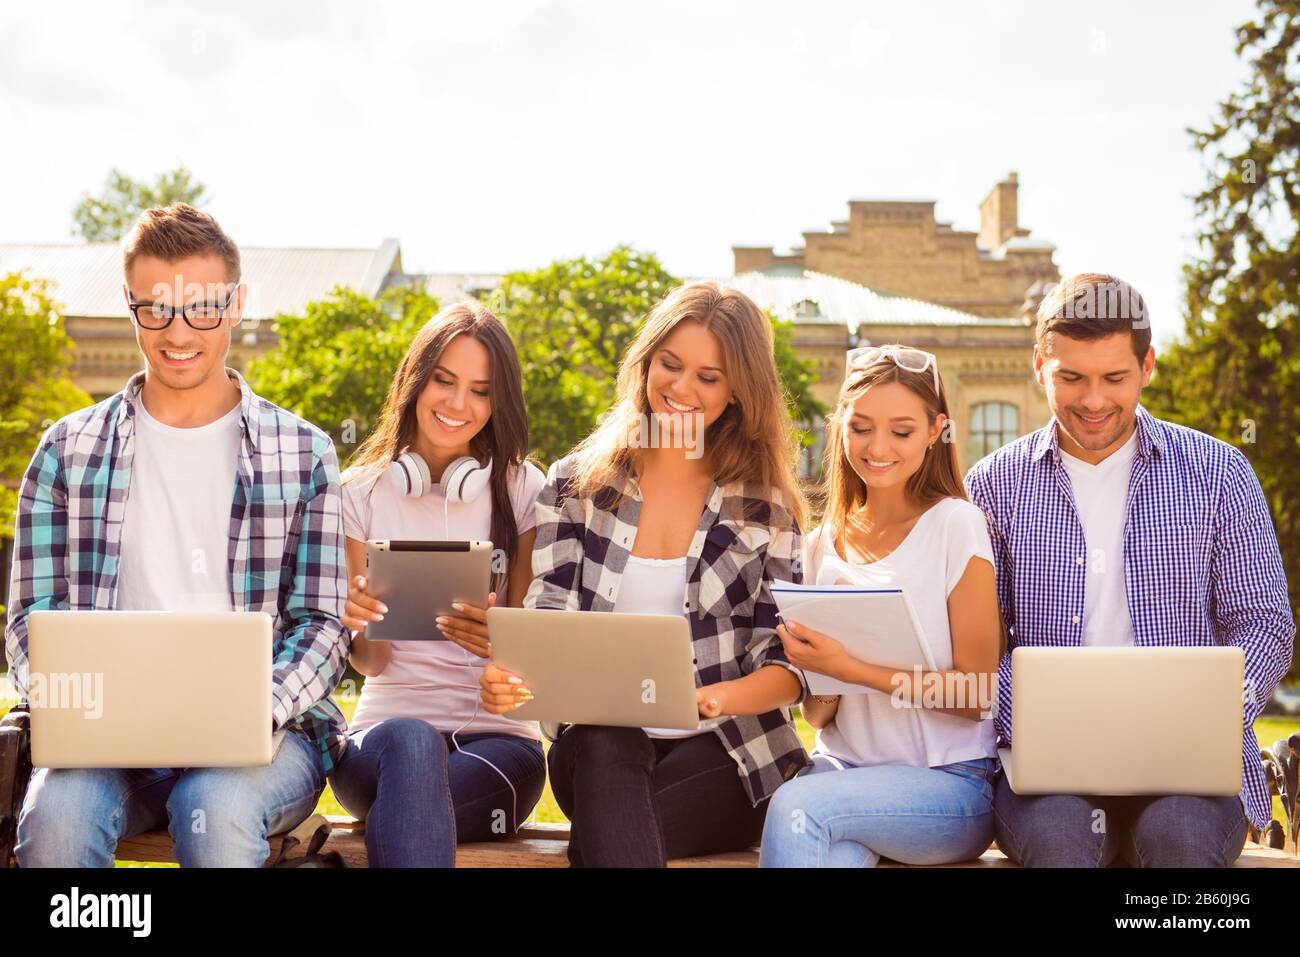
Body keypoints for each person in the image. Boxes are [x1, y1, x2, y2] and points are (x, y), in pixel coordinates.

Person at [6, 203, 350, 867]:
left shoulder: (303, 451)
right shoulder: (65, 451)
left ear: (237, 303)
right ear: (131, 305)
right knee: (55, 821)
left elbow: (325, 623)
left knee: (215, 812)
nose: (178, 329)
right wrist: (74, 704)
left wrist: (256, 708)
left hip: (262, 740)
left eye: (201, 306)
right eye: (156, 308)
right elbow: (29, 619)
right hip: (108, 741)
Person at [964, 272, 1296, 867]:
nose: (1093, 400)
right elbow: (976, 640)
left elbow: (1265, 622)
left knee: (1182, 840)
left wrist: (1211, 710)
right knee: (1060, 842)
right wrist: (1034, 717)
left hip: (1190, 766)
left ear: (1147, 367)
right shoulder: (992, 486)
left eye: (1114, 378)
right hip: (1047, 770)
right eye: (1071, 378)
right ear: (1040, 366)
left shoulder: (1219, 473)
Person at [480, 281, 811, 866]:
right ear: (646, 361)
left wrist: (708, 699)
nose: (682, 388)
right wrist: (515, 674)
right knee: (610, 740)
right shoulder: (576, 484)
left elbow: (786, 669)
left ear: (738, 392)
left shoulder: (767, 505)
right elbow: (547, 615)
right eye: (670, 364)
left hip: (727, 753)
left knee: (613, 831)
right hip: (596, 745)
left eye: (709, 377)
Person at [760, 345, 1000, 867]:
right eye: (861, 427)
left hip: (948, 785)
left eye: (902, 430)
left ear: (937, 430)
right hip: (844, 773)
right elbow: (819, 715)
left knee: (798, 805)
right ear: (838, 426)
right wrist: (822, 667)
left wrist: (854, 666)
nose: (878, 447)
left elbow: (977, 694)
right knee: (830, 849)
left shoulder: (956, 525)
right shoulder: (821, 544)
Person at [332, 301, 547, 867]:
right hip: (383, 740)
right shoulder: (361, 491)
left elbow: (535, 647)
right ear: (414, 381)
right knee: (413, 744)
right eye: (443, 381)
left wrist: (503, 641)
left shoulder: (524, 487)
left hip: (501, 747)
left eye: (480, 390)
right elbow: (372, 664)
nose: (458, 404)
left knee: (413, 798)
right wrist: (363, 620)